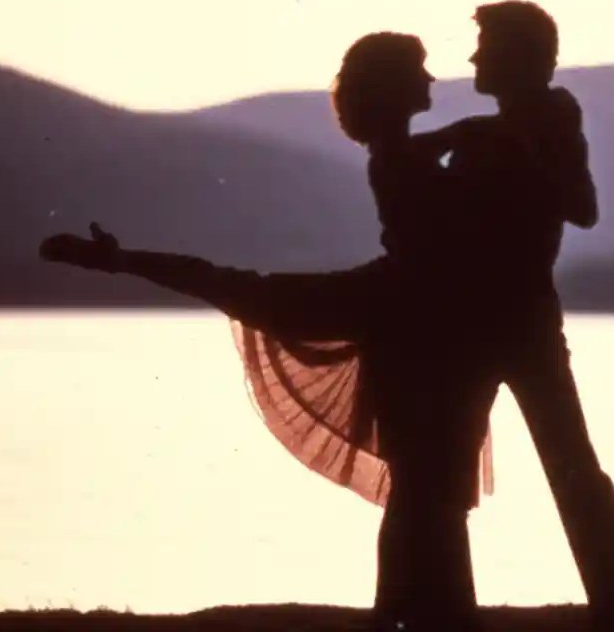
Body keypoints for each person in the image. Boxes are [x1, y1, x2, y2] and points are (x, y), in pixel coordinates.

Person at [41, 32, 492, 631]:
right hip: (406, 314)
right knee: (428, 481)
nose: (434, 80)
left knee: (424, 480)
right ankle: (428, 612)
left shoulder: (398, 152)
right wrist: (475, 139)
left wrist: (464, 139)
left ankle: (420, 611)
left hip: (406, 314)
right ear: (390, 88)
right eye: (420, 70)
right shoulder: (400, 158)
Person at [440, 0, 614, 632]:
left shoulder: (552, 117)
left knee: (561, 464)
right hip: (498, 321)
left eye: (484, 46)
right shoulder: (508, 127)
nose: (474, 57)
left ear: (519, 58)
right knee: (477, 469)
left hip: (519, 320)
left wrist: (482, 141)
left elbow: (583, 208)